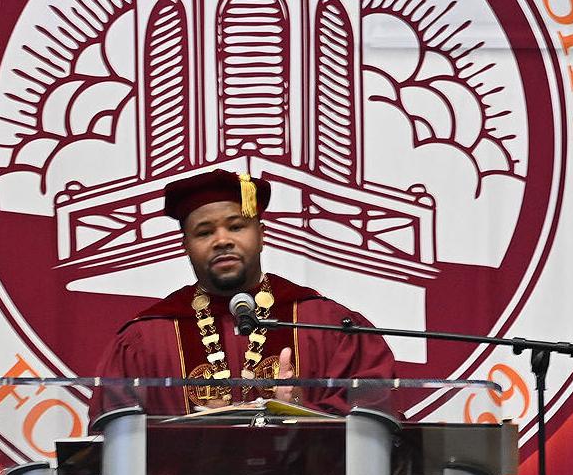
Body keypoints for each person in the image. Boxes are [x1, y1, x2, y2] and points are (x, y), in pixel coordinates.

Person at [95, 169, 397, 415]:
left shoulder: (324, 323)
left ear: (262, 235)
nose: (222, 240)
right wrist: (190, 437)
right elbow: (115, 447)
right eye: (204, 232)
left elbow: (372, 421)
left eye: (236, 226)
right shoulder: (147, 338)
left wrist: (303, 414)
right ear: (185, 246)